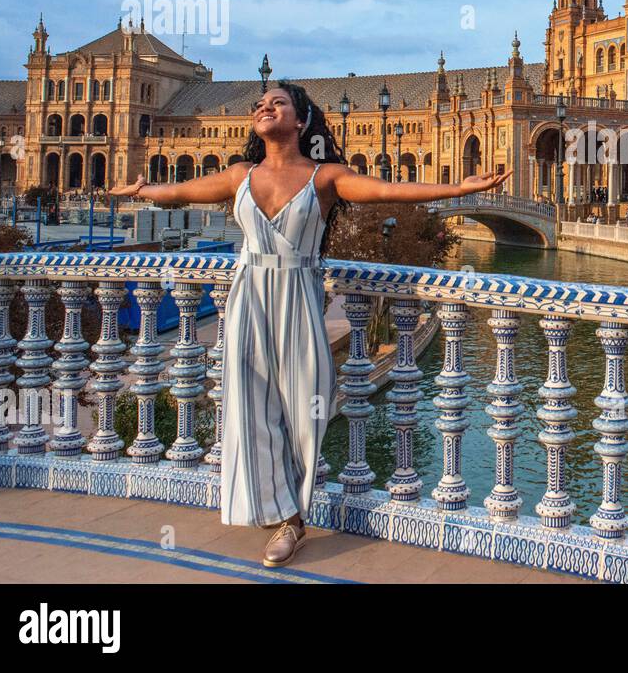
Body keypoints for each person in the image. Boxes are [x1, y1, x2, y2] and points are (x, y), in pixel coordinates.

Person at [110, 81, 509, 569]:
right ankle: (283, 517)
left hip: (298, 296)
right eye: (260, 104)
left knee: (304, 410)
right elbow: (177, 192)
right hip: (248, 298)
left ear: (300, 121)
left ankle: (292, 514)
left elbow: (390, 190)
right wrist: (140, 189)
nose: (264, 107)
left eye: (277, 103)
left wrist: (460, 187)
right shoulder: (239, 175)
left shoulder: (325, 177)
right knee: (248, 405)